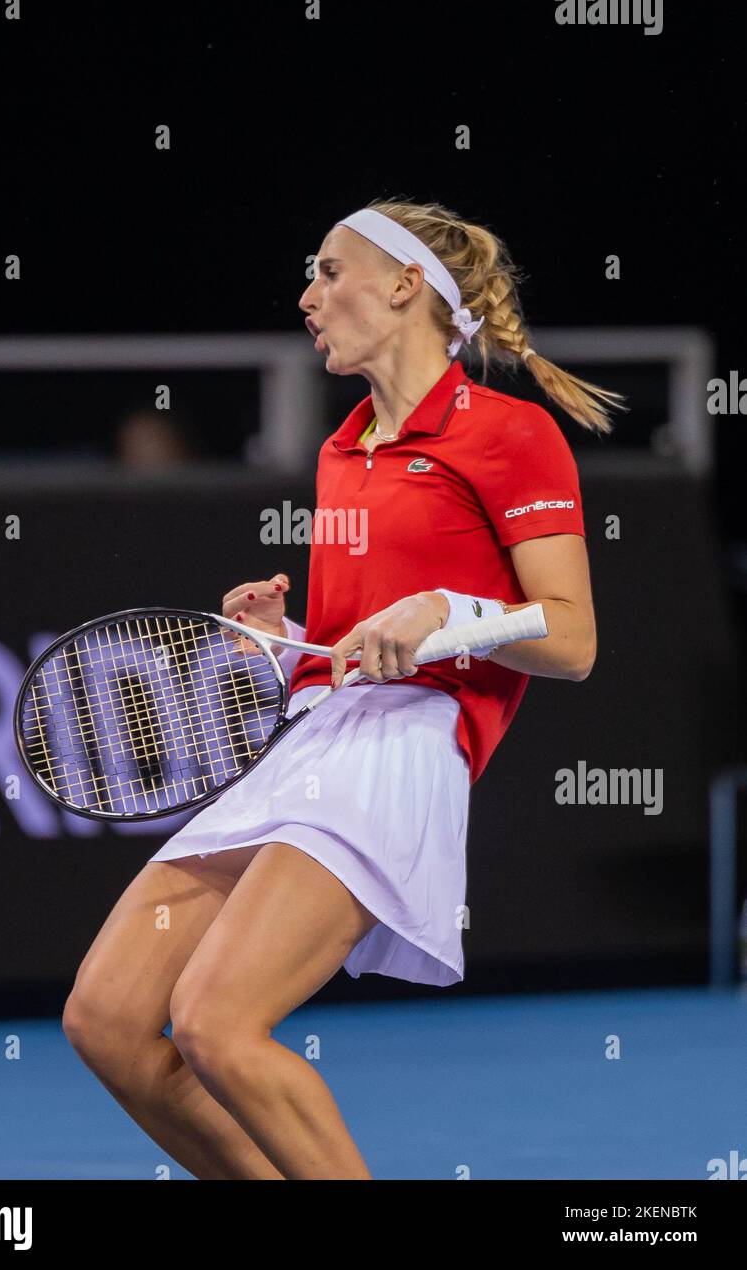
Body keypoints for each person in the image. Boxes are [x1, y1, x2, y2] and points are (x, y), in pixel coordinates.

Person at [62, 197, 626, 1179]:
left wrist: (449, 612)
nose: (306, 295)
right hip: (319, 740)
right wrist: (281, 644)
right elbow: (345, 646)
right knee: (107, 1018)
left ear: (405, 285)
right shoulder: (340, 450)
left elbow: (569, 634)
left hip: (404, 752)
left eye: (328, 271)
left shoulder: (509, 433)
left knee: (213, 1020)